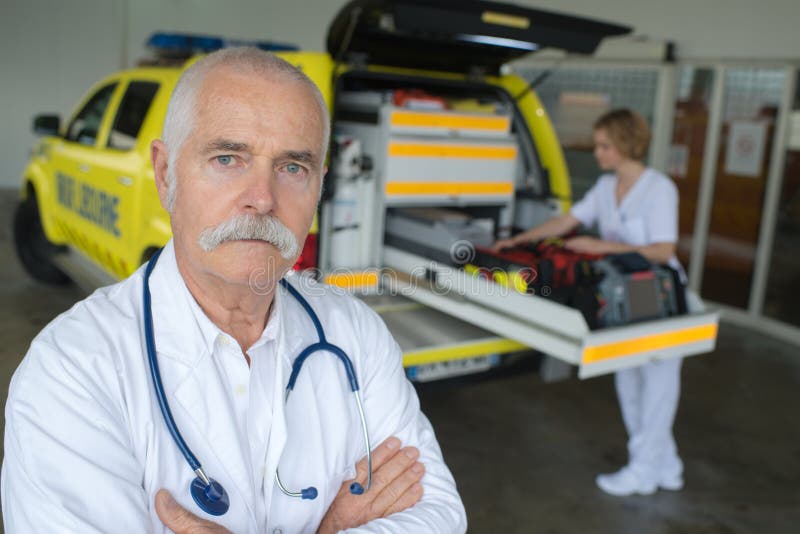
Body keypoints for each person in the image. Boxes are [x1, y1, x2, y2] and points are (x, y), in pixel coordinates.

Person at [2, 48, 467, 533]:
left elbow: (437, 516)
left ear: (319, 188)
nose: (263, 198)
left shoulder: (356, 336)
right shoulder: (71, 371)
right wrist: (329, 528)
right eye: (228, 158)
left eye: (292, 168)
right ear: (165, 174)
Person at [493, 109, 684, 497]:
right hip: (625, 292)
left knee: (658, 385)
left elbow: (664, 251)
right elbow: (567, 222)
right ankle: (667, 465)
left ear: (626, 145)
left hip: (658, 293)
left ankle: (644, 471)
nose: (597, 153)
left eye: (604, 145)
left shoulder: (659, 188)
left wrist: (602, 245)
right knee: (628, 380)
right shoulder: (605, 187)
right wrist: (520, 241)